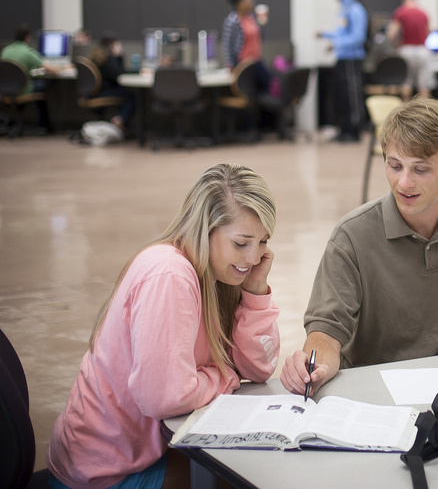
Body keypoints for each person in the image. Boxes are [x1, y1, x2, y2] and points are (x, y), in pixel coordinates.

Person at [47, 164, 280, 489]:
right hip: (105, 472)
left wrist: (255, 290)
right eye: (242, 243)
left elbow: (258, 369)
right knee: (244, 479)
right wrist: (224, 376)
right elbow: (165, 397)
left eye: (263, 241)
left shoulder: (218, 274)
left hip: (150, 448)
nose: (254, 257)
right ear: (204, 230)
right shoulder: (169, 275)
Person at [280, 98, 438, 395]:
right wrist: (316, 365)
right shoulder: (351, 236)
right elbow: (326, 331)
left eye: (420, 169)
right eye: (394, 165)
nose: (404, 183)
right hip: (375, 390)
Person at [319, 0, 368, 143]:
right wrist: (326, 35)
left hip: (352, 60)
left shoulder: (356, 10)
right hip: (342, 59)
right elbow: (342, 33)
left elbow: (358, 37)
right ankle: (343, 130)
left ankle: (354, 131)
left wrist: (336, 44)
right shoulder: (344, 10)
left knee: (352, 96)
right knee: (341, 96)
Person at [1, 24, 61, 132]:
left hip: (6, 91)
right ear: (27, 37)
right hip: (23, 90)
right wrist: (64, 67)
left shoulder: (6, 50)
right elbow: (49, 69)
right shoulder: (27, 51)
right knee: (44, 87)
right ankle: (44, 125)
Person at [387, 0, 435, 99]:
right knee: (424, 86)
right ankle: (427, 113)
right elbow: (428, 31)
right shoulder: (423, 13)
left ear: (404, 1)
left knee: (406, 84)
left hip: (406, 50)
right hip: (422, 51)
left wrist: (396, 45)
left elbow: (392, 34)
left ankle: (405, 113)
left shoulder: (400, 12)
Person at [86, 34, 136, 129]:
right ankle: (119, 120)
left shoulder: (95, 56)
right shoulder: (108, 59)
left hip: (93, 93)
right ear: (113, 45)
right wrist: (119, 56)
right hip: (103, 93)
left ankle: (120, 121)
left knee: (123, 93)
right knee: (131, 96)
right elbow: (120, 74)